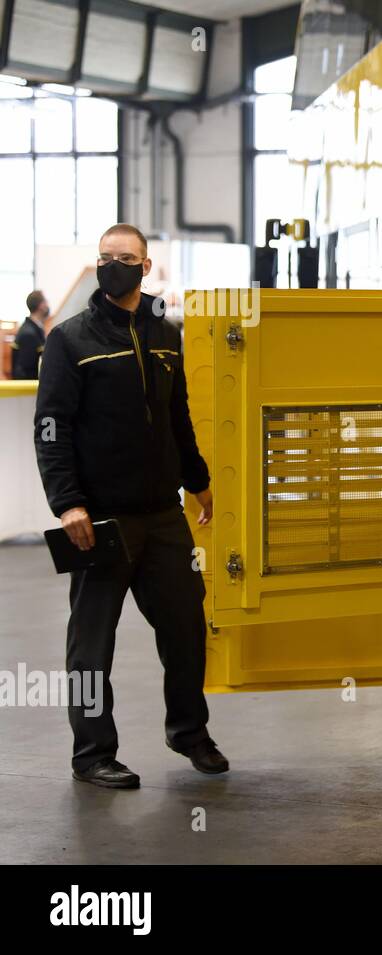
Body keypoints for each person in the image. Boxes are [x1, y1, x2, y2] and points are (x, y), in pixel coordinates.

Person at [34, 223, 228, 789]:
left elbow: (177, 417)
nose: (112, 265)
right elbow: (51, 427)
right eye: (104, 257)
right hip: (99, 520)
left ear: (146, 267)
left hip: (163, 516)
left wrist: (198, 479)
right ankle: (93, 753)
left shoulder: (167, 334)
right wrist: (67, 504)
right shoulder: (70, 340)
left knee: (187, 629)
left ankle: (190, 732)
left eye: (125, 257)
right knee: (92, 644)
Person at [12, 290, 48, 379]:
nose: (48, 305)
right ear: (41, 306)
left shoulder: (36, 329)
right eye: (46, 302)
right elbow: (26, 371)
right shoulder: (28, 334)